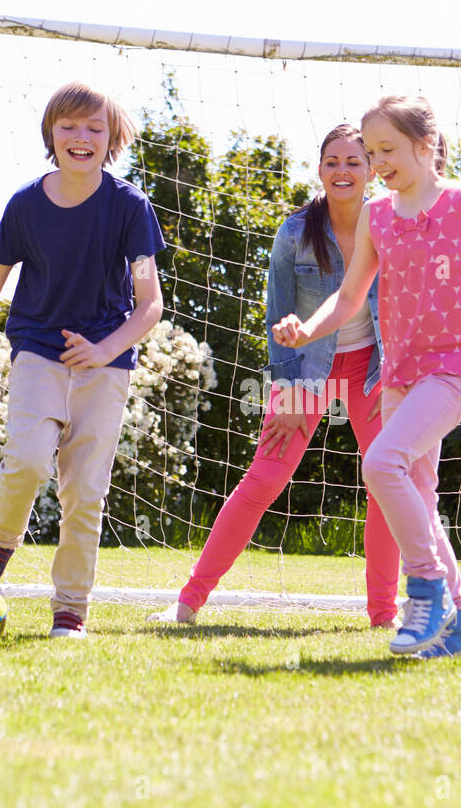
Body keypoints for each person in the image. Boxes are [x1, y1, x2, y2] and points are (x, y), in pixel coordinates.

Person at [273, 95, 461, 658]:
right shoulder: (377, 216)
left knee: (381, 462)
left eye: (387, 149)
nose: (377, 162)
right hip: (400, 373)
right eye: (371, 152)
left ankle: (424, 592)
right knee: (419, 495)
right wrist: (308, 330)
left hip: (458, 368)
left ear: (426, 146)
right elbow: (349, 298)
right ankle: (460, 623)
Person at [0, 80, 167, 640]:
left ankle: (70, 609)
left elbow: (149, 303)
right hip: (38, 351)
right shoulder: (26, 205)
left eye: (94, 128)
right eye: (69, 126)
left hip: (105, 364)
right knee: (28, 460)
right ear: (51, 134)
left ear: (112, 139)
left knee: (85, 490)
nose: (82, 137)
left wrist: (104, 350)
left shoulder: (130, 206)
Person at [149, 125, 402, 627]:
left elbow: (405, 308)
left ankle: (383, 614)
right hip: (307, 372)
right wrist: (286, 391)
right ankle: (188, 602)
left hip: (374, 373)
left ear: (372, 169)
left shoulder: (392, 225)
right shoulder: (294, 234)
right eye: (332, 162)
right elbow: (277, 318)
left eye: (354, 162)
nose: (343, 171)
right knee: (263, 478)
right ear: (320, 169)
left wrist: (394, 378)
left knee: (387, 484)